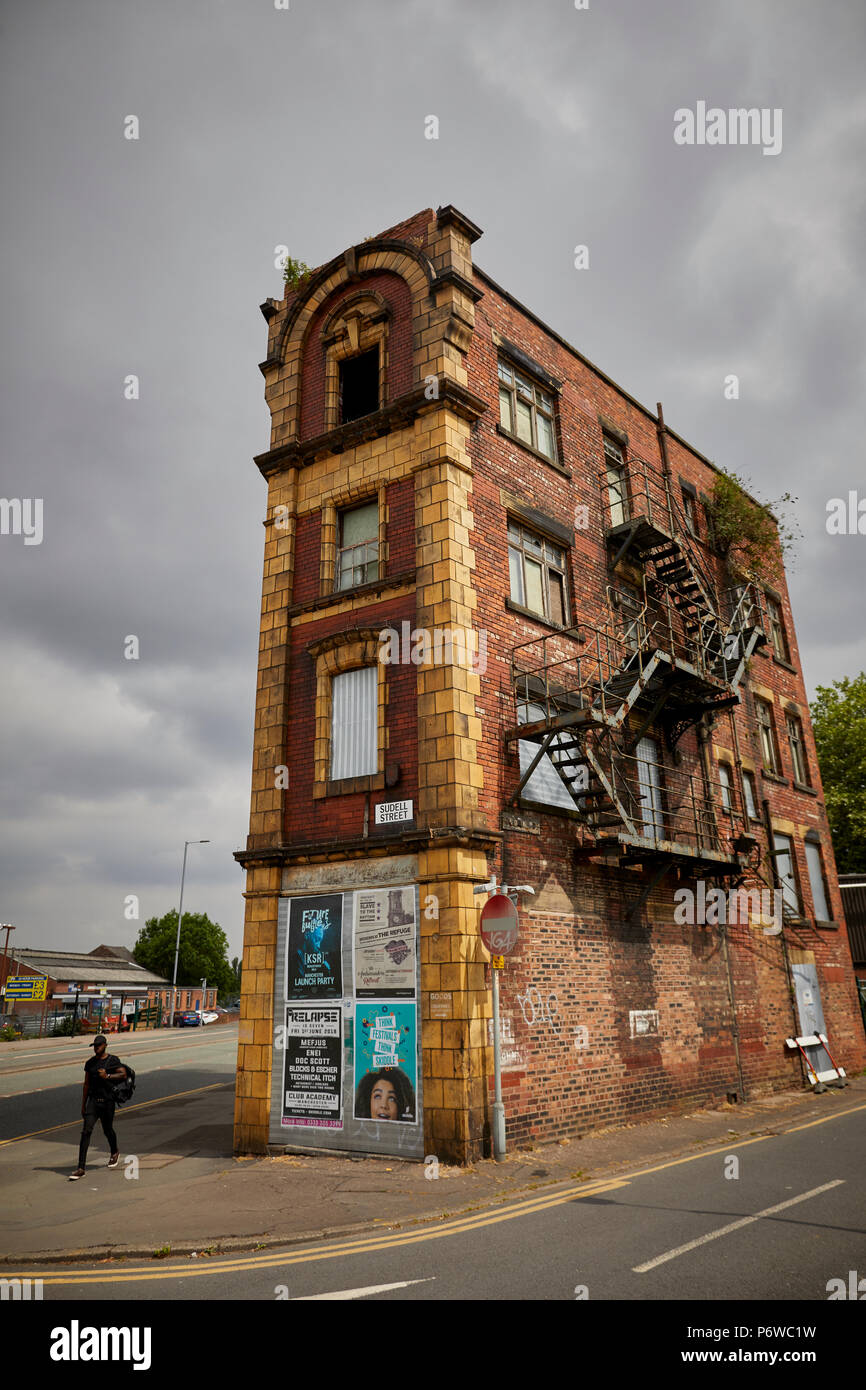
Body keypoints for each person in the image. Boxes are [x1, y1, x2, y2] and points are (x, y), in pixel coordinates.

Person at [68, 1035, 126, 1180]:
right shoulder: (90, 1063)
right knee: (86, 1131)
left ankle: (114, 1151)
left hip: (108, 1101)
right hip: (93, 1102)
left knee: (107, 1129)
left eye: (98, 1045)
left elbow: (123, 1074)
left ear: (105, 1045)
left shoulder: (113, 1060)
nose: (96, 1048)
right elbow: (86, 1084)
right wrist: (83, 1104)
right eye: (94, 1046)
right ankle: (81, 1167)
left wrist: (107, 1076)